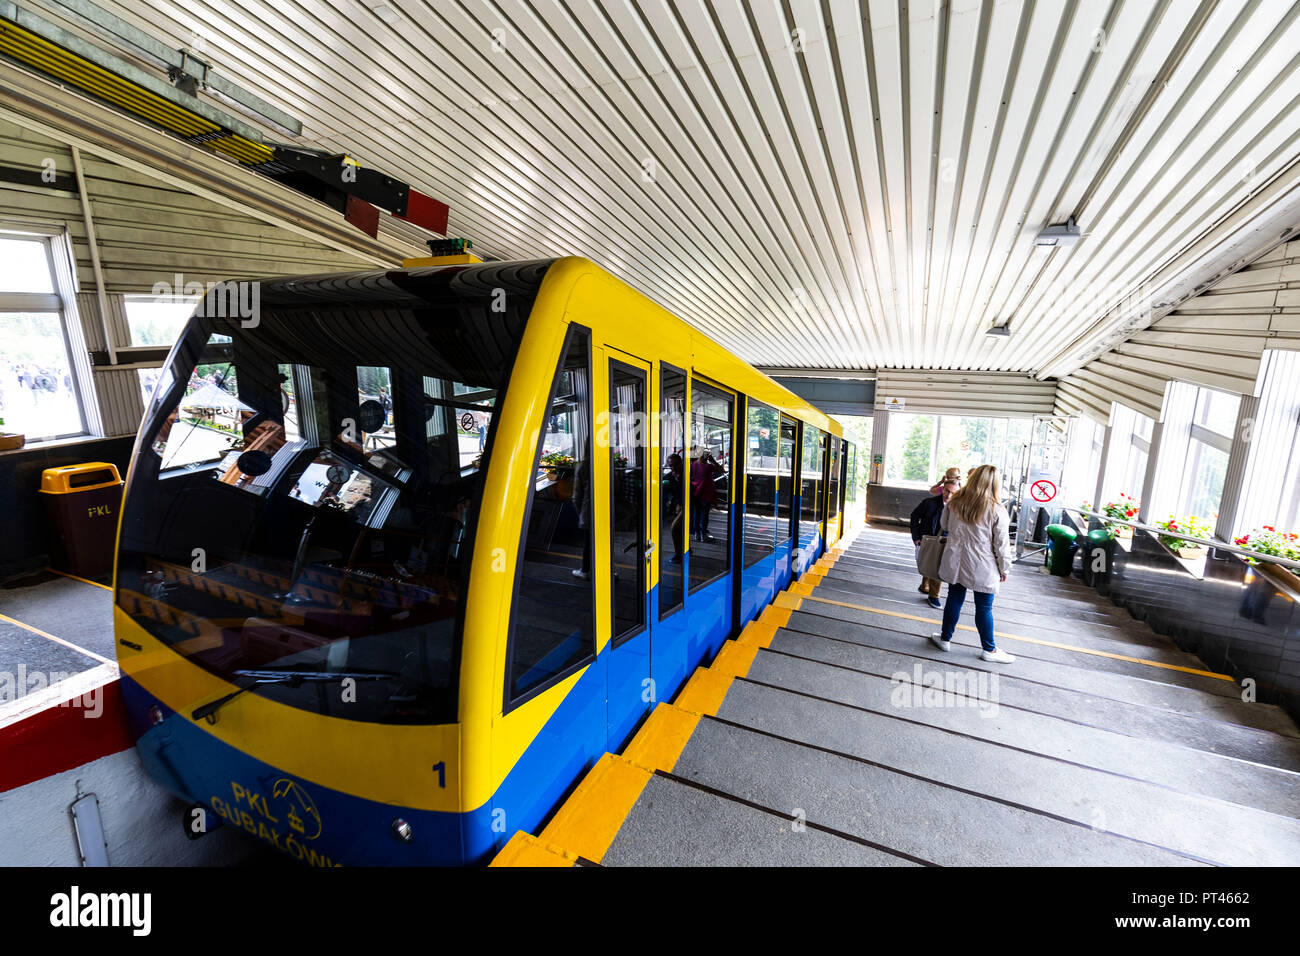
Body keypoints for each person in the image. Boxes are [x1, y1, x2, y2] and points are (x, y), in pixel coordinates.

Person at [929, 463, 1016, 663]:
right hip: (982, 564)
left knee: (954, 598)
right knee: (984, 608)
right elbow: (1001, 544)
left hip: (955, 559)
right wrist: (1005, 568)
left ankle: (945, 639)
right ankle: (989, 650)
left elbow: (944, 525)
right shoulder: (996, 509)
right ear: (994, 484)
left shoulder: (955, 500)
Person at [910, 478, 958, 608]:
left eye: (953, 492)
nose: (949, 495)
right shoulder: (928, 503)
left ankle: (934, 595)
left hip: (946, 541)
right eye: (947, 491)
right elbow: (914, 517)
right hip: (926, 539)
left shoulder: (958, 507)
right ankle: (925, 586)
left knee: (937, 567)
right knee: (927, 563)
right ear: (942, 489)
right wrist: (915, 537)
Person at [690, 448, 722, 543]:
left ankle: (697, 534)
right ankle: (703, 534)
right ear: (708, 456)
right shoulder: (708, 466)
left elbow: (691, 475)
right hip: (706, 492)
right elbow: (722, 470)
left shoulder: (694, 464)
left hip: (696, 490)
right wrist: (713, 461)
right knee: (704, 513)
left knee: (697, 512)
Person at [663, 452, 685, 562]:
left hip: (690, 506)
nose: (673, 467)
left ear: (681, 463)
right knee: (681, 528)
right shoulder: (669, 477)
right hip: (679, 506)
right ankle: (687, 549)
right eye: (671, 465)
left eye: (675, 464)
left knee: (675, 528)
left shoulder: (688, 475)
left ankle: (679, 554)